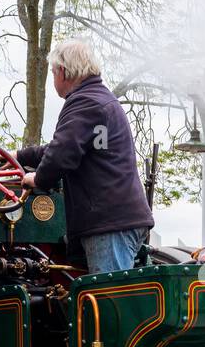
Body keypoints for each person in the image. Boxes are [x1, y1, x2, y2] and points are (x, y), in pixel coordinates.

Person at [18, 39, 154, 273]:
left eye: (52, 73)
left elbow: (62, 154)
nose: (53, 80)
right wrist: (19, 156)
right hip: (119, 220)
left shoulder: (85, 101)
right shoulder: (99, 99)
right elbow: (64, 146)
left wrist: (38, 179)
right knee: (102, 301)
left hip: (109, 225)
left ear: (62, 71)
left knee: (108, 302)